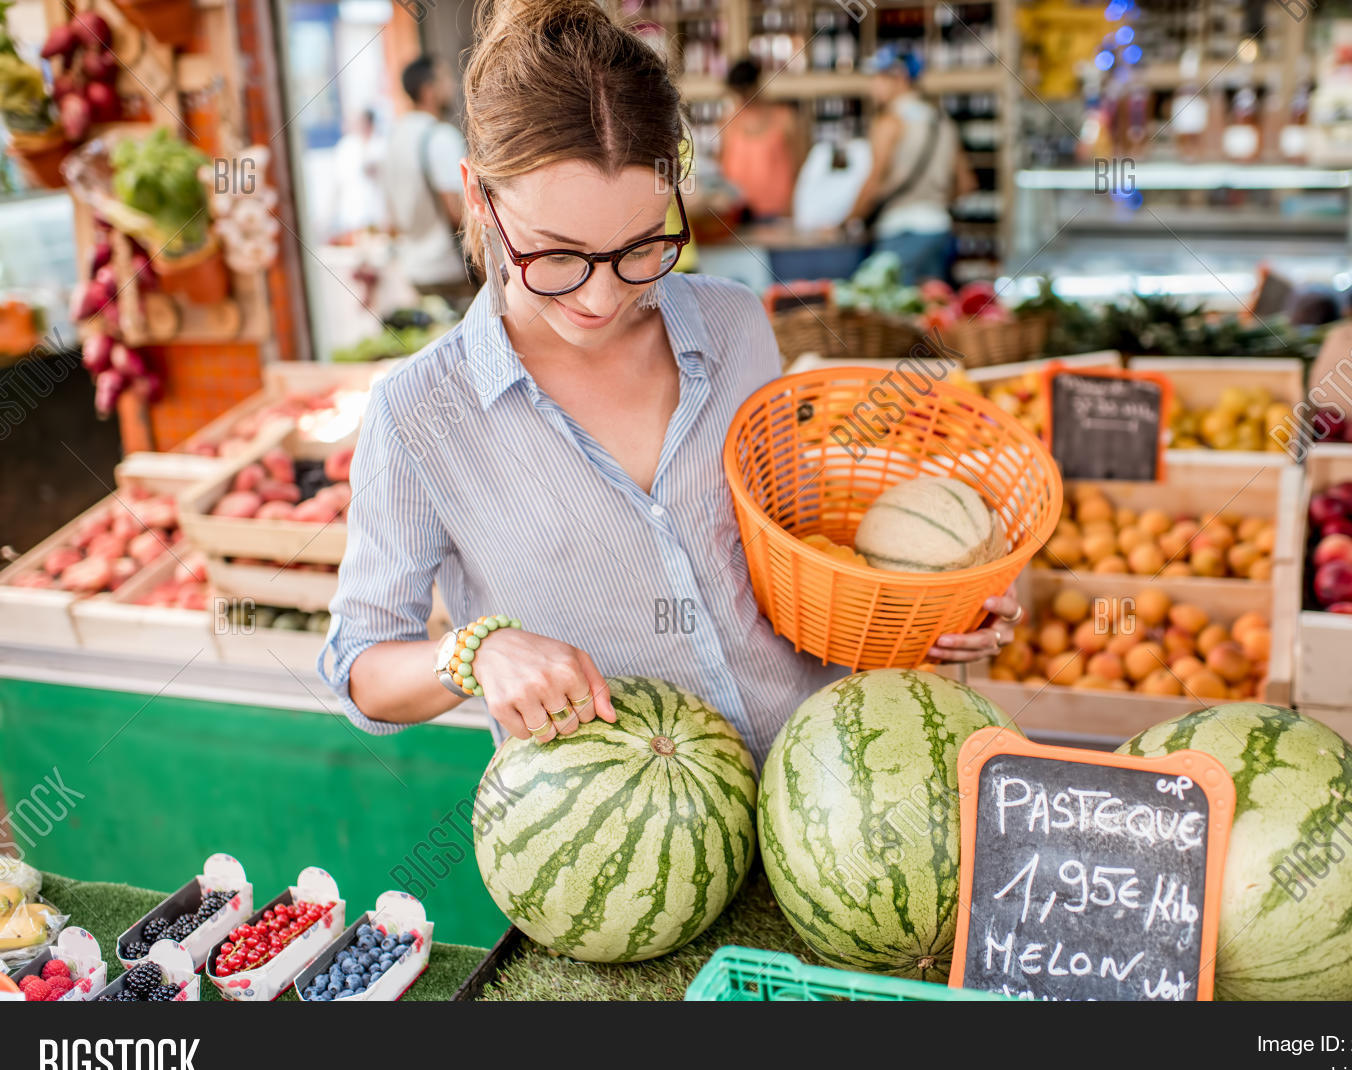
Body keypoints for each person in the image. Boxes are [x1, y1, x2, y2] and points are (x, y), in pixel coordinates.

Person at [319, 0, 1021, 765]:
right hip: (631, 862)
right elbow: (360, 665)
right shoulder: (420, 410)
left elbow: (803, 556)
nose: (600, 298)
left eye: (642, 247)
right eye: (557, 255)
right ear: (480, 197)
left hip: (826, 786)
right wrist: (474, 652)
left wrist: (927, 601)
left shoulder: (735, 327)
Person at [846, 45, 977, 286]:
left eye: (878, 77)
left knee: (888, 311)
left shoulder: (889, 122)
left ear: (900, 78)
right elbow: (967, 184)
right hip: (938, 231)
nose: (872, 86)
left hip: (899, 231)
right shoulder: (943, 122)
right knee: (931, 310)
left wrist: (849, 220)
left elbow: (874, 181)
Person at [384, 56, 476, 309]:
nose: (452, 85)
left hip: (414, 269)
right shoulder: (439, 136)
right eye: (445, 79)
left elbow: (390, 217)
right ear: (428, 91)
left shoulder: (395, 138)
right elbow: (457, 211)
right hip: (450, 270)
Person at [716, 56, 801, 221]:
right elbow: (721, 166)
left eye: (746, 89)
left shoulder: (785, 117)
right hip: (738, 212)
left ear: (758, 84)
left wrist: (792, 206)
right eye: (738, 92)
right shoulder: (727, 121)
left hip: (778, 212)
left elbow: (799, 166)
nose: (743, 96)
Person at [333, 108, 385, 235]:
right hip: (353, 216)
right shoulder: (346, 147)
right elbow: (338, 184)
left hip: (378, 215)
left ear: (370, 123)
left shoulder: (382, 145)